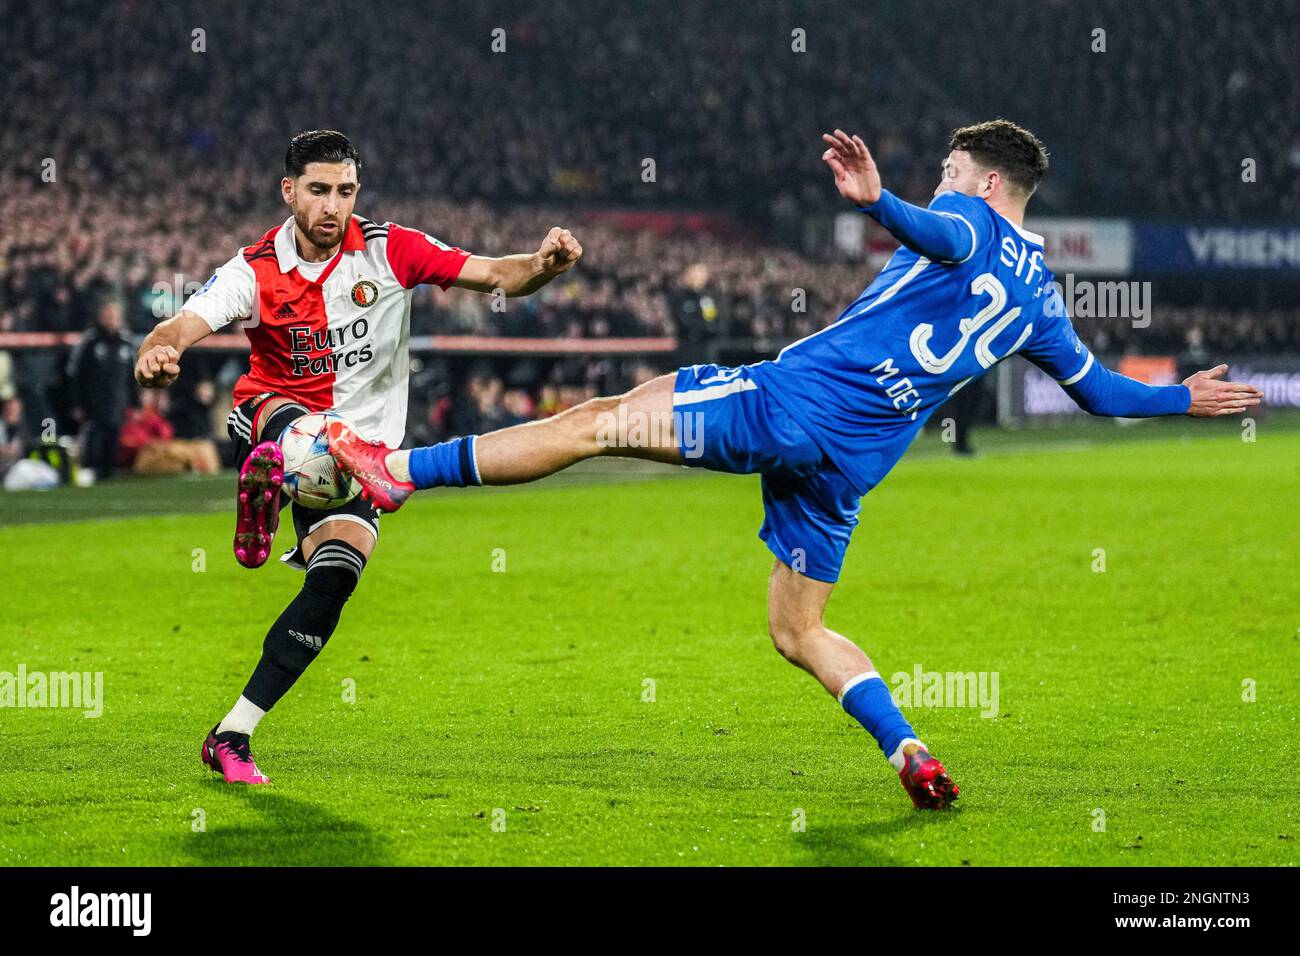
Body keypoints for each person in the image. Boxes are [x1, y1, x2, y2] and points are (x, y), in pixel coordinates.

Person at [330, 121, 1263, 810]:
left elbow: (943, 235)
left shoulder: (968, 223)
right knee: (798, 629)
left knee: (596, 424)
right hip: (850, 464)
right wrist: (1185, 397)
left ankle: (401, 470)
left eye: (947, 172)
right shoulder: (1040, 298)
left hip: (790, 409)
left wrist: (878, 204)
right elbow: (1102, 392)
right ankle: (910, 752)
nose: (941, 185)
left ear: (981, 180)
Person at [133, 130, 583, 784]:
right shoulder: (254, 269)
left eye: (345, 191)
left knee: (334, 584)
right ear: (289, 192)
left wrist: (545, 264)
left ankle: (232, 733)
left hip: (358, 464)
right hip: (274, 419)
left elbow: (494, 274)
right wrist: (159, 352)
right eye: (318, 190)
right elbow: (181, 324)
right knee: (302, 434)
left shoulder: (390, 249)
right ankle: (277, 474)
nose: (332, 206)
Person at [66, 300, 136, 480]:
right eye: (108, 316)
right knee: (94, 437)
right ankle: (89, 470)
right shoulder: (90, 341)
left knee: (113, 438)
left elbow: (132, 375)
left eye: (115, 316)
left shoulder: (126, 342)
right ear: (101, 317)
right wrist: (76, 403)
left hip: (117, 402)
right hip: (93, 403)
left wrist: (134, 402)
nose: (112, 320)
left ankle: (108, 472)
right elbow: (75, 374)